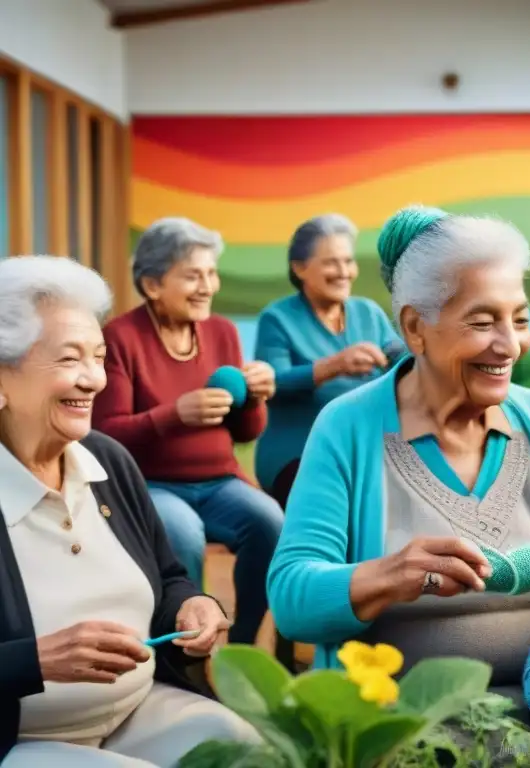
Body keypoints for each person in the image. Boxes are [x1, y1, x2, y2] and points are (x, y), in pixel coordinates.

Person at [268, 206, 530, 763]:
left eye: (520, 318)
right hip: (422, 718)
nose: (510, 345)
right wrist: (389, 576)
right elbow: (292, 599)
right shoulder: (348, 428)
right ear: (414, 328)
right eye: (482, 321)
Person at [0, 256, 259, 767]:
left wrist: (191, 605)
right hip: (22, 739)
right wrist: (34, 661)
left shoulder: (108, 461)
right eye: (69, 360)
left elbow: (168, 577)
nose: (94, 380)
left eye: (98, 357)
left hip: (140, 709)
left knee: (253, 752)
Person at [92, 218, 284, 648]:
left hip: (221, 483)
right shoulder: (120, 338)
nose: (208, 286)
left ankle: (243, 644)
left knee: (271, 522)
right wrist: (175, 414)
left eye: (211, 273)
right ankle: (184, 655)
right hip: (151, 485)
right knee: (181, 534)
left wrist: (254, 399)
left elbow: (246, 433)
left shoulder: (222, 332)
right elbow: (105, 434)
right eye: (193, 275)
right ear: (153, 284)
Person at [254, 214, 402, 508]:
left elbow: (399, 355)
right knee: (344, 503)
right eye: (331, 263)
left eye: (348, 261)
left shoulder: (368, 312)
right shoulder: (277, 318)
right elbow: (272, 384)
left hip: (365, 448)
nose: (344, 272)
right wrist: (334, 366)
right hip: (298, 451)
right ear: (299, 268)